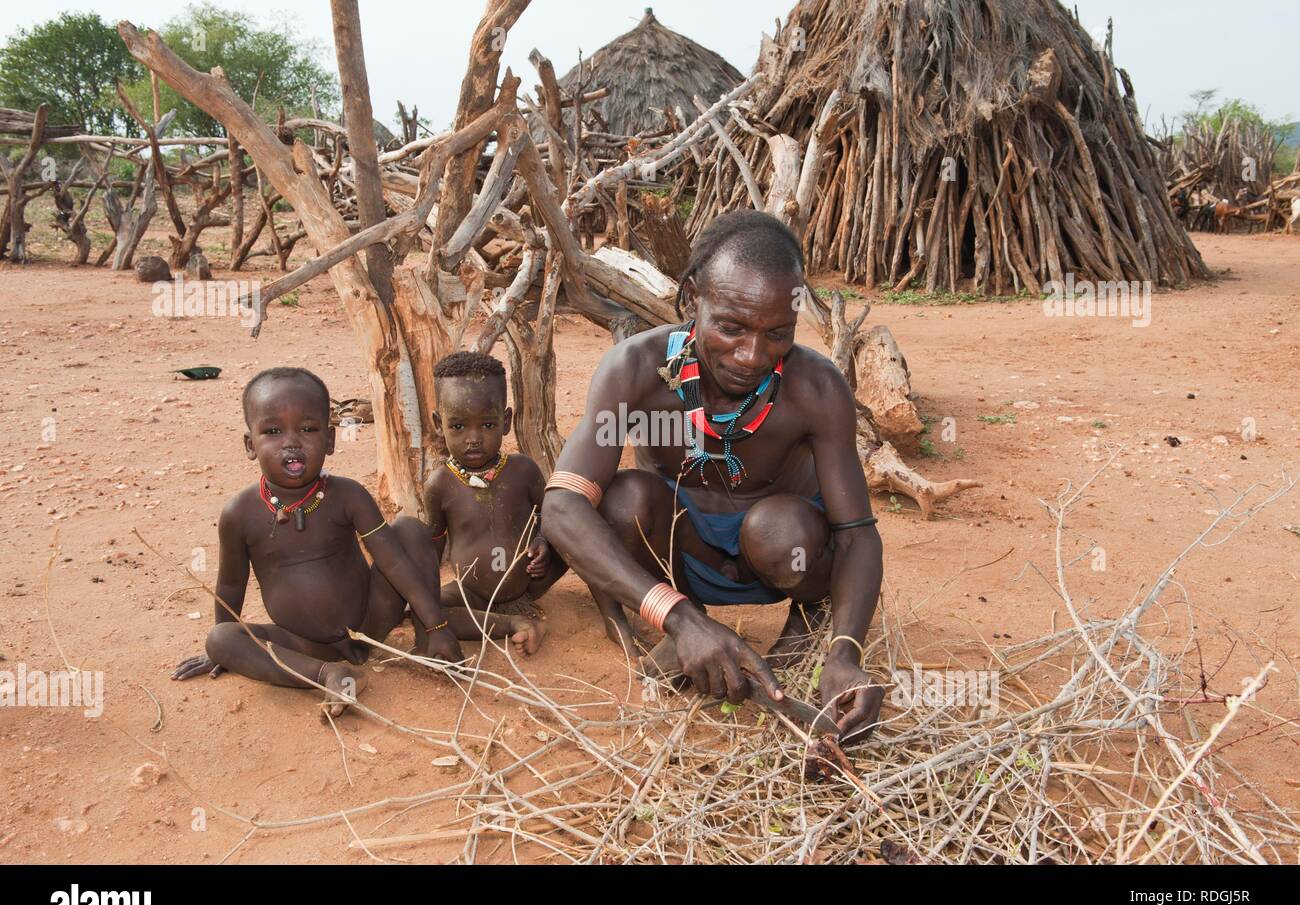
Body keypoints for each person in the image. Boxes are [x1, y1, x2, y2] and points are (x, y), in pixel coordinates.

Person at [541, 211, 885, 736]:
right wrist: (679, 618)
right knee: (626, 501)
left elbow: (857, 534)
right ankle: (690, 623)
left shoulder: (816, 388)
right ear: (692, 298)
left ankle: (808, 623)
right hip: (680, 562)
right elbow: (562, 507)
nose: (752, 355)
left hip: (783, 559)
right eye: (730, 327)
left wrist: (846, 651)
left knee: (777, 530)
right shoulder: (635, 370)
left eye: (778, 333)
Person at [171, 367, 459, 715]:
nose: (291, 442)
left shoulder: (347, 495)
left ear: (331, 440)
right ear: (250, 445)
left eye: (307, 429)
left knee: (410, 530)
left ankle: (429, 641)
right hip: (303, 645)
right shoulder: (239, 513)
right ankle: (328, 674)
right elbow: (231, 585)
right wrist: (223, 650)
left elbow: (394, 562)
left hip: (370, 622)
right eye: (273, 431)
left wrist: (437, 624)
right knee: (221, 638)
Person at [399, 352, 564, 654]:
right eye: (458, 427)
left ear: (506, 421)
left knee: (573, 541)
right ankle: (515, 624)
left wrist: (544, 541)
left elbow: (553, 515)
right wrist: (425, 594)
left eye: (487, 425)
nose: (473, 439)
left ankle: (515, 614)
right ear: (439, 424)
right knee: (427, 613)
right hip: (473, 592)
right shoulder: (440, 484)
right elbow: (434, 544)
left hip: (530, 582)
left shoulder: (523, 470)